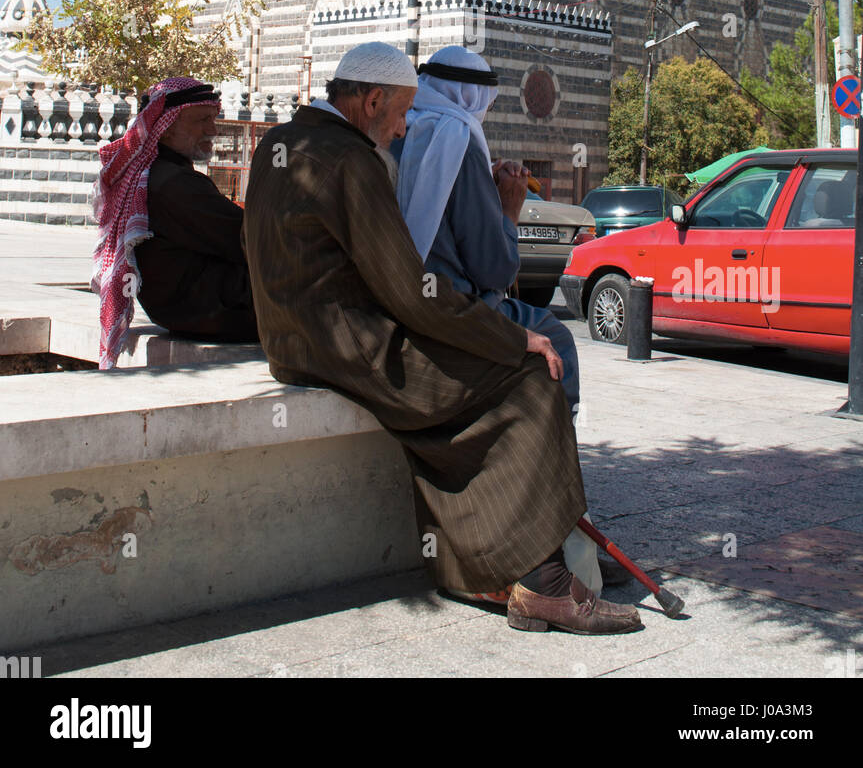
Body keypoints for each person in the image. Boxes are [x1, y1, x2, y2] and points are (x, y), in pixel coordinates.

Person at [242, 41, 642, 636]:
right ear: (372, 100)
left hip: (296, 343)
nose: (405, 125)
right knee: (532, 381)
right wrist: (511, 342)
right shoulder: (353, 162)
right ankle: (545, 583)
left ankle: (503, 566)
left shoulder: (281, 142)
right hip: (352, 348)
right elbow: (411, 289)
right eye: (401, 112)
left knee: (499, 374)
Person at [391, 45, 580, 420]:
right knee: (554, 334)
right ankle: (556, 446)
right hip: (451, 307)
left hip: (398, 297)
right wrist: (508, 208)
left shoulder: (399, 126)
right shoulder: (460, 137)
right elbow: (494, 269)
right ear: (471, 96)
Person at [92, 76, 258, 369]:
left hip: (186, 308)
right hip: (212, 309)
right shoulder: (173, 184)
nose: (213, 130)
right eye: (202, 120)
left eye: (213, 119)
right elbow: (249, 240)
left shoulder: (159, 174)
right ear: (165, 128)